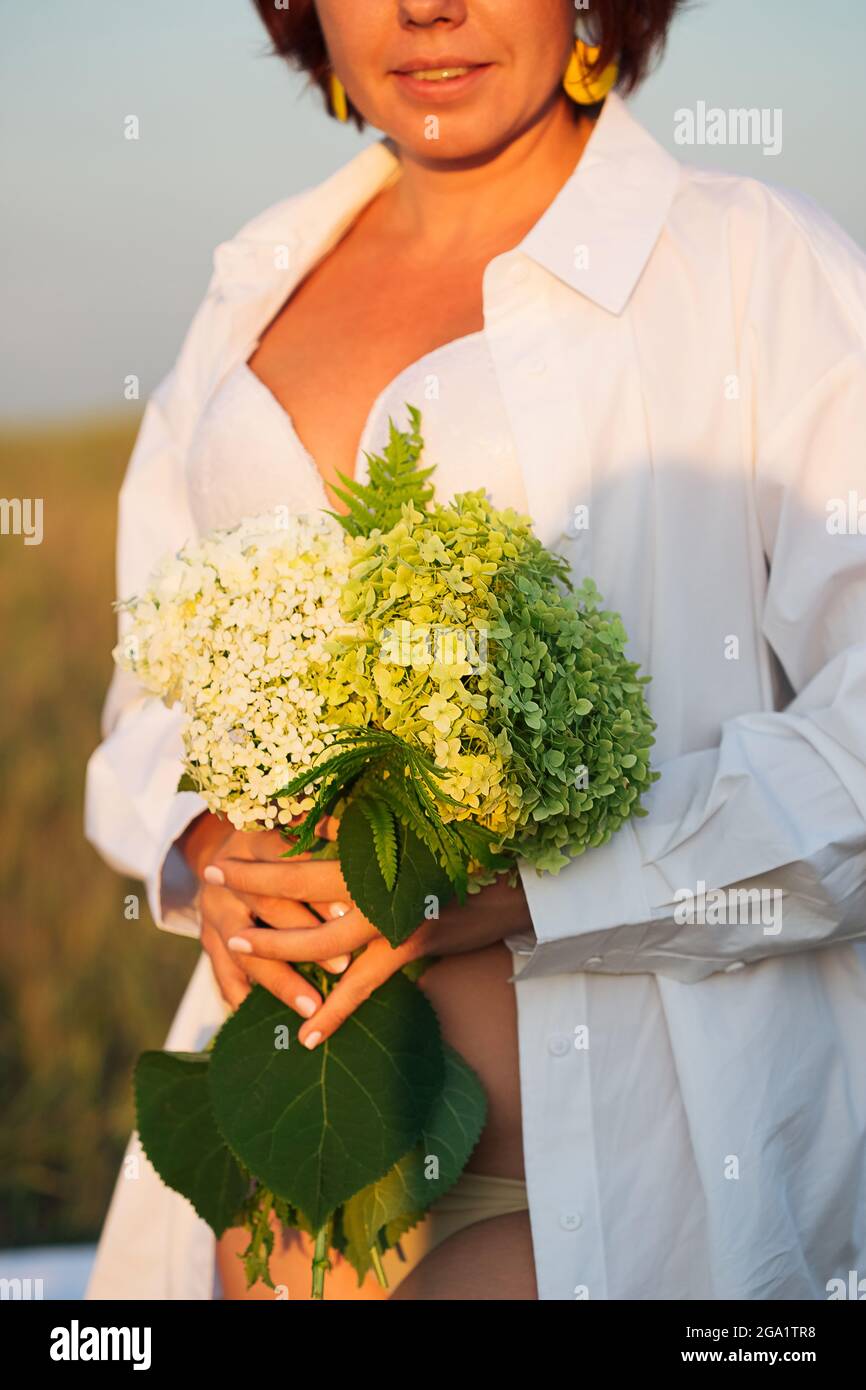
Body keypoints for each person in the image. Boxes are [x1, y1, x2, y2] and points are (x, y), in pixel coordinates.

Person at [85, 0, 866, 1301]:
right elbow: (144, 689)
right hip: (271, 1170)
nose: (424, 6)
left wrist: (530, 887)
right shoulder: (249, 289)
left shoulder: (750, 268)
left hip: (604, 1187)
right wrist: (202, 842)